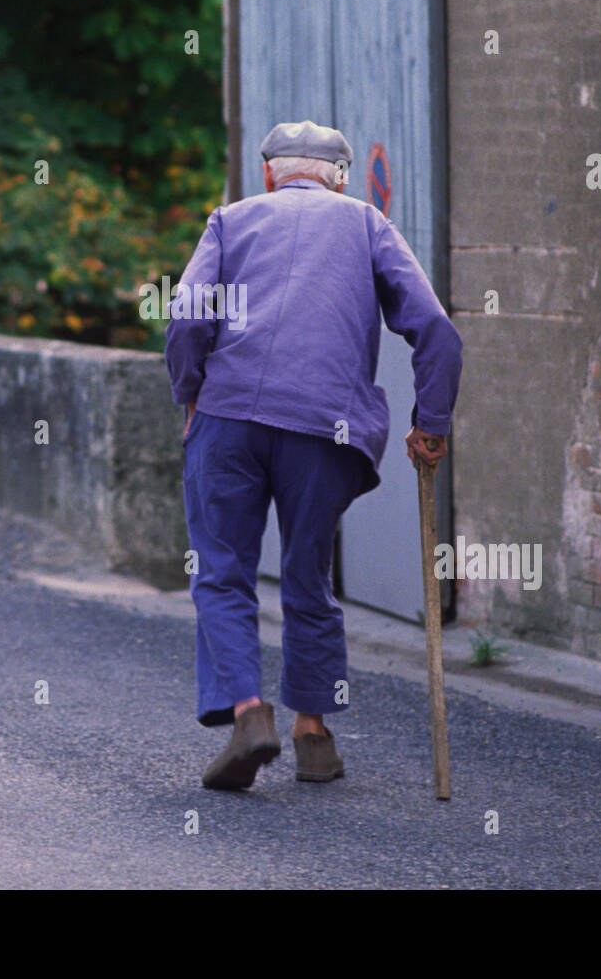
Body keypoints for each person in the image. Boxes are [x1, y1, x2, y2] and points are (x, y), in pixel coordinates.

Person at [165, 120, 463, 790]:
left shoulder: (229, 221)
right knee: (309, 575)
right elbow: (437, 331)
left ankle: (249, 714)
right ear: (341, 177)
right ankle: (314, 734)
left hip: (229, 416)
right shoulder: (367, 226)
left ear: (269, 172)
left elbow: (187, 316)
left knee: (222, 571)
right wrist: (431, 424)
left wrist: (189, 393)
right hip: (325, 429)